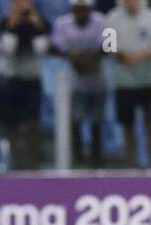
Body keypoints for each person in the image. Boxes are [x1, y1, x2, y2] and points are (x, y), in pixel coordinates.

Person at [105, 0, 151, 169]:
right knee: (127, 125)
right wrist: (123, 55)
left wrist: (139, 56)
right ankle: (131, 165)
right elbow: (107, 46)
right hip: (124, 82)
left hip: (148, 81)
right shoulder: (112, 18)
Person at [51, 0, 107, 168]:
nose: (81, 12)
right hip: (74, 81)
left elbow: (109, 46)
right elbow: (53, 47)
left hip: (98, 79)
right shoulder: (62, 23)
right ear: (72, 9)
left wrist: (88, 58)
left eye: (84, 9)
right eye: (78, 9)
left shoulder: (102, 21)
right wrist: (71, 56)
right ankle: (77, 157)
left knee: (97, 120)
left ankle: (97, 158)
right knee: (75, 120)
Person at [0, 0, 49, 170]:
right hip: (11, 78)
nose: (22, 7)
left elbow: (41, 49)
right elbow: (7, 49)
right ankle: (15, 161)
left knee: (32, 122)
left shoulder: (41, 23)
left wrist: (37, 26)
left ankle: (33, 163)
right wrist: (11, 26)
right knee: (11, 124)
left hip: (31, 78)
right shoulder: (5, 22)